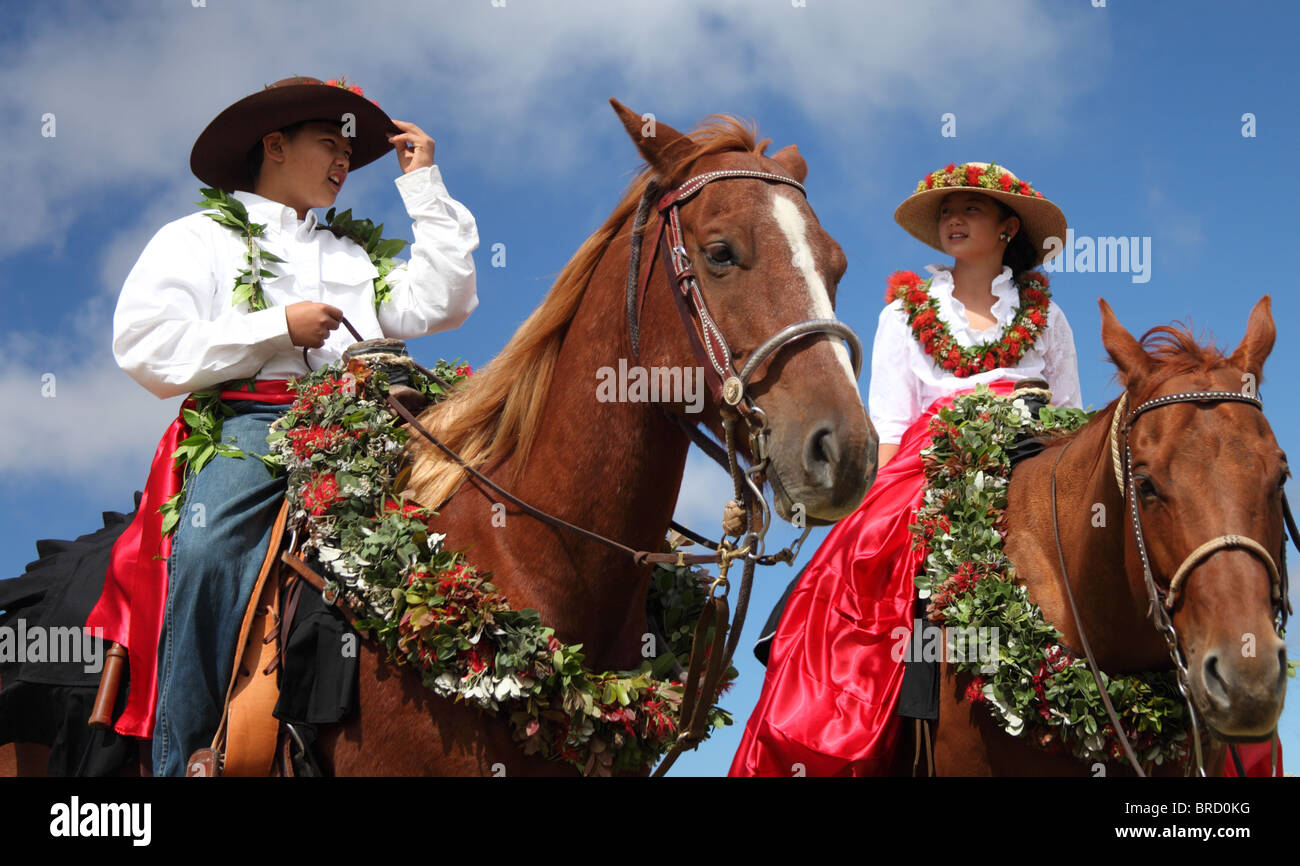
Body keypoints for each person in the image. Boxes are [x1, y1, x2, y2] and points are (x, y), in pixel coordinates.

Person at [85, 76, 479, 776]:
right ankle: (187, 760)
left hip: (370, 427)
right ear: (273, 145)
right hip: (252, 422)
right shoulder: (195, 239)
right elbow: (144, 349)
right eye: (330, 144)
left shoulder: (352, 255)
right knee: (208, 551)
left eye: (348, 153)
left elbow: (445, 303)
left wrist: (424, 185)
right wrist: (277, 327)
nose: (342, 163)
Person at [730, 161, 1080, 776]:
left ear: (1008, 226)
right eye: (946, 209)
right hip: (931, 456)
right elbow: (890, 429)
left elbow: (1072, 420)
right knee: (856, 563)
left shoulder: (1048, 317)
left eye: (970, 207)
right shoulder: (903, 314)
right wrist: (864, 511)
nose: (953, 217)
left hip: (1036, 453)